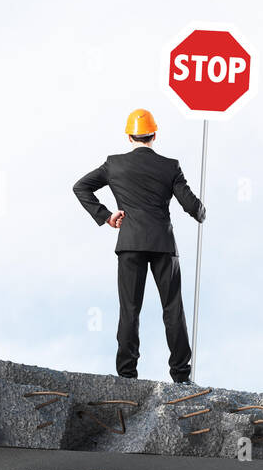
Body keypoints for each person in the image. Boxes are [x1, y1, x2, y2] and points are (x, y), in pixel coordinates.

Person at [73, 108, 206, 383]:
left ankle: (126, 374)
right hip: (163, 244)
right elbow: (191, 206)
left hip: (130, 243)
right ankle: (181, 376)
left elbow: (80, 187)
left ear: (129, 136)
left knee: (130, 309)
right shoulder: (170, 166)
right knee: (172, 308)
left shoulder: (114, 164)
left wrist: (106, 216)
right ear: (154, 134)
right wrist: (201, 212)